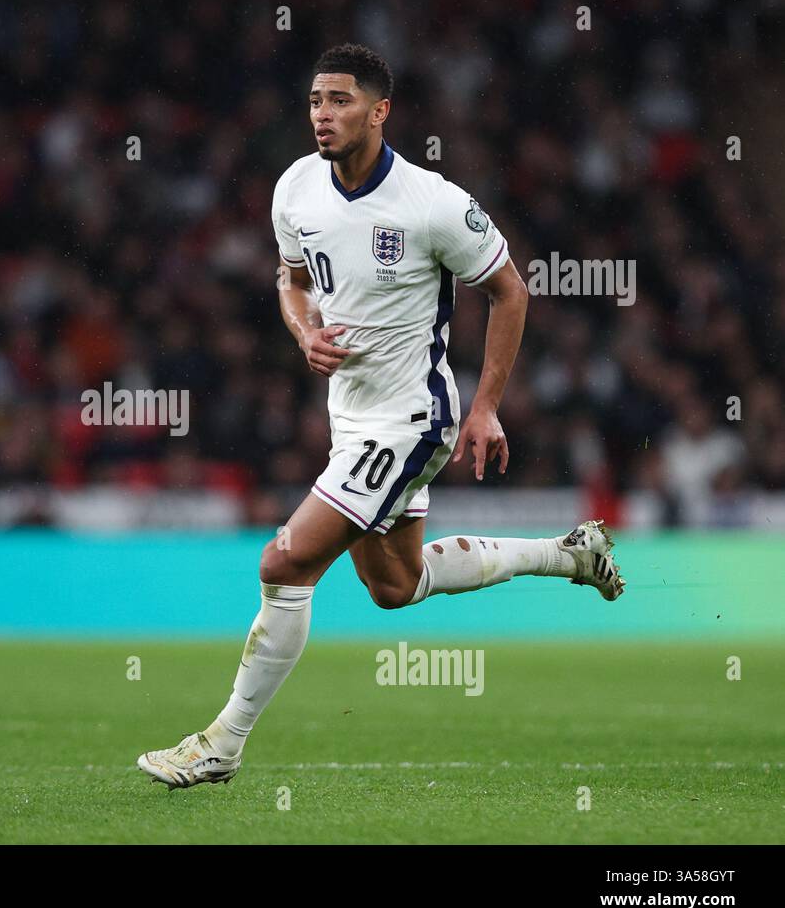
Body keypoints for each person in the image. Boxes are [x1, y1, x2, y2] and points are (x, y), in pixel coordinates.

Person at [137, 44, 625, 790]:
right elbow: (291, 281)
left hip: (413, 418)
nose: (322, 116)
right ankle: (569, 554)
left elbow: (511, 292)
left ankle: (221, 744)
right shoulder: (296, 187)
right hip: (351, 419)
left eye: (338, 101)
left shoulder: (432, 202)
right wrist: (304, 331)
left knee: (285, 562)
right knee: (395, 586)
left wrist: (486, 405)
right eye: (313, 101)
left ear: (379, 110)